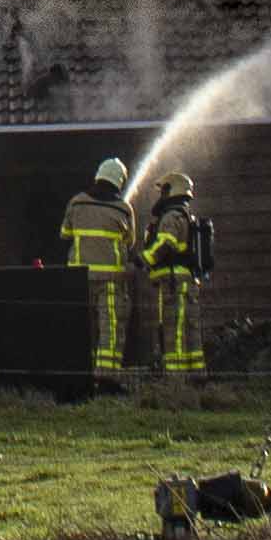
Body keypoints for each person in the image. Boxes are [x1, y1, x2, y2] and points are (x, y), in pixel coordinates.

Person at [61, 155, 134, 382]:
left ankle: (79, 378)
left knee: (82, 329)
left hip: (79, 279)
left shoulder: (77, 202)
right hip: (112, 281)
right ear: (119, 181)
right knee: (110, 331)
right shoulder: (124, 209)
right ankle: (107, 380)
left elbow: (65, 233)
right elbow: (130, 242)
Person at [140, 170, 212, 379]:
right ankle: (198, 376)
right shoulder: (185, 215)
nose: (160, 196)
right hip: (186, 282)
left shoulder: (171, 216)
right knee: (191, 330)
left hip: (174, 282)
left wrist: (143, 259)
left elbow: (165, 243)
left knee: (174, 331)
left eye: (163, 191)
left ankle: (176, 382)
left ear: (171, 190)